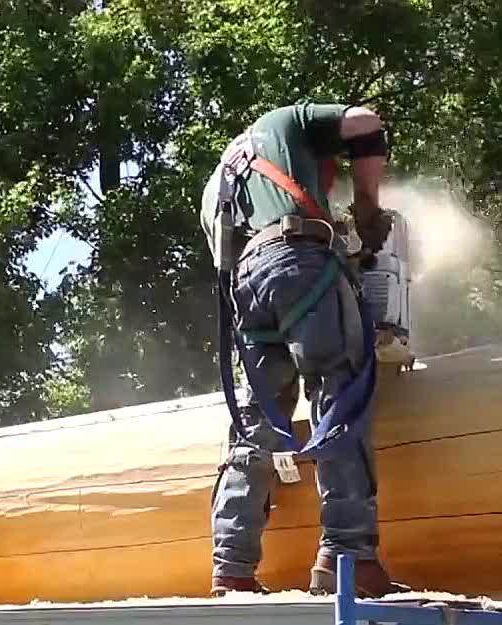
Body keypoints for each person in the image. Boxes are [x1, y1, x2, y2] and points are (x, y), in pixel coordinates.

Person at [198, 103, 409, 598]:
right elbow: (365, 122)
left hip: (246, 288)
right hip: (298, 260)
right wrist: (366, 208)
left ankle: (231, 569)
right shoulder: (283, 123)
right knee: (340, 396)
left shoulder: (214, 189)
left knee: (256, 425)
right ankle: (348, 558)